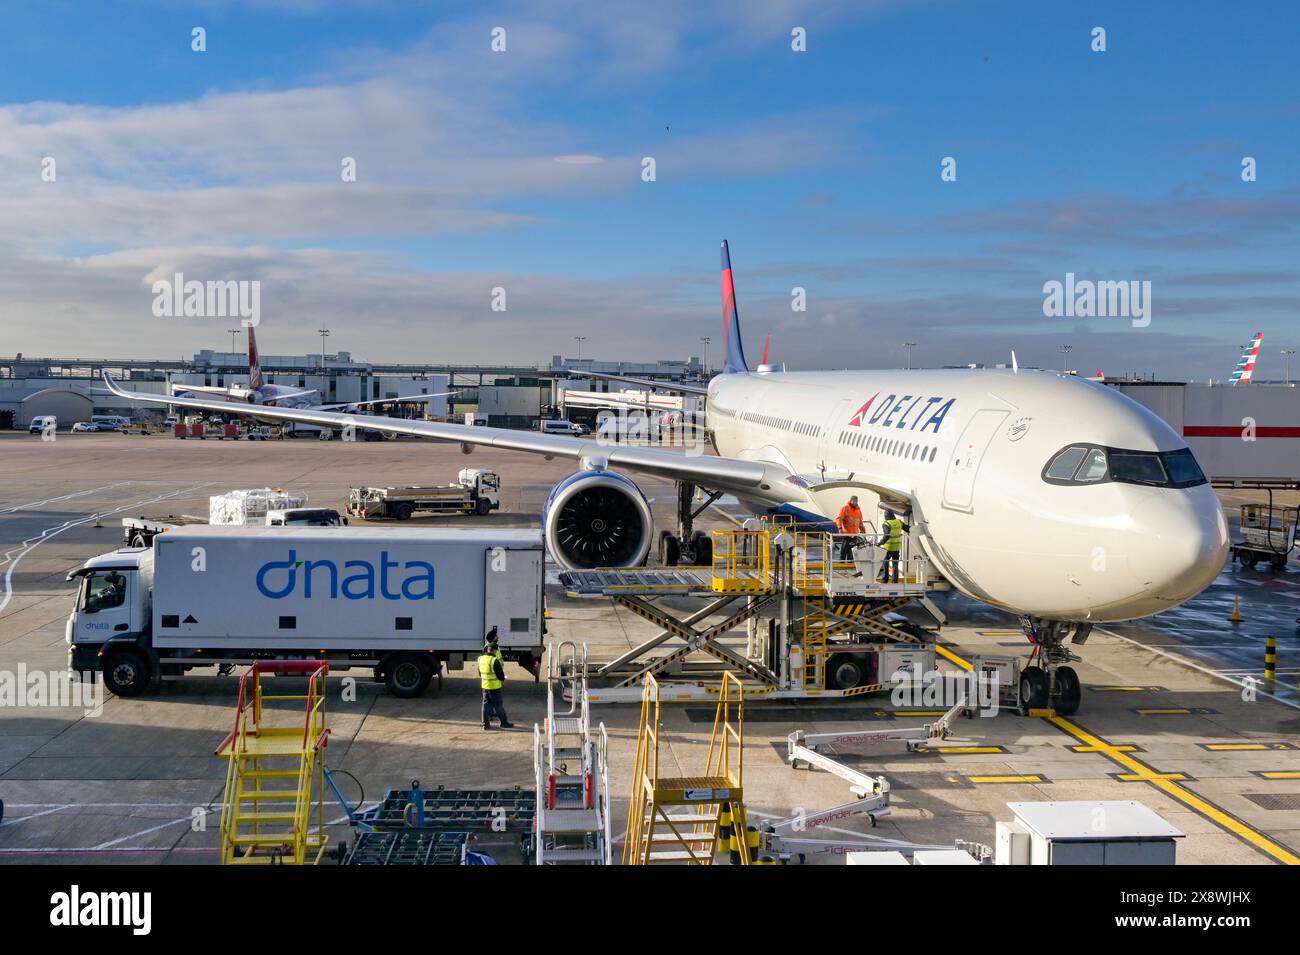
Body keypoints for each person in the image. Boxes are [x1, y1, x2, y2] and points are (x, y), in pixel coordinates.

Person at [479, 628, 514, 730]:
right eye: (496, 635)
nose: (498, 637)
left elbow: (480, 672)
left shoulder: (481, 658)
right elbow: (500, 675)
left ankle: (485, 724)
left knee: (485, 706)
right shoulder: (493, 660)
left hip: (485, 685)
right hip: (494, 686)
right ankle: (503, 722)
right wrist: (502, 679)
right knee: (498, 705)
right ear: (493, 650)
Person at [878, 508, 910, 583]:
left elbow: (886, 535)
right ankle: (895, 581)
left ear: (886, 516)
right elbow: (908, 529)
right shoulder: (899, 522)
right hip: (896, 547)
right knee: (895, 564)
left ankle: (885, 580)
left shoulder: (886, 523)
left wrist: (880, 543)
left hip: (888, 548)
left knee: (885, 563)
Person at [836, 495, 864, 563]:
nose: (855, 502)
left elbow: (860, 521)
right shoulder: (845, 508)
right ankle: (841, 562)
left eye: (856, 501)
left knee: (852, 549)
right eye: (854, 501)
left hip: (854, 534)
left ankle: (850, 563)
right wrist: (840, 528)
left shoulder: (858, 510)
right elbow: (839, 519)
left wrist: (862, 529)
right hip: (846, 533)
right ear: (851, 500)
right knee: (844, 549)